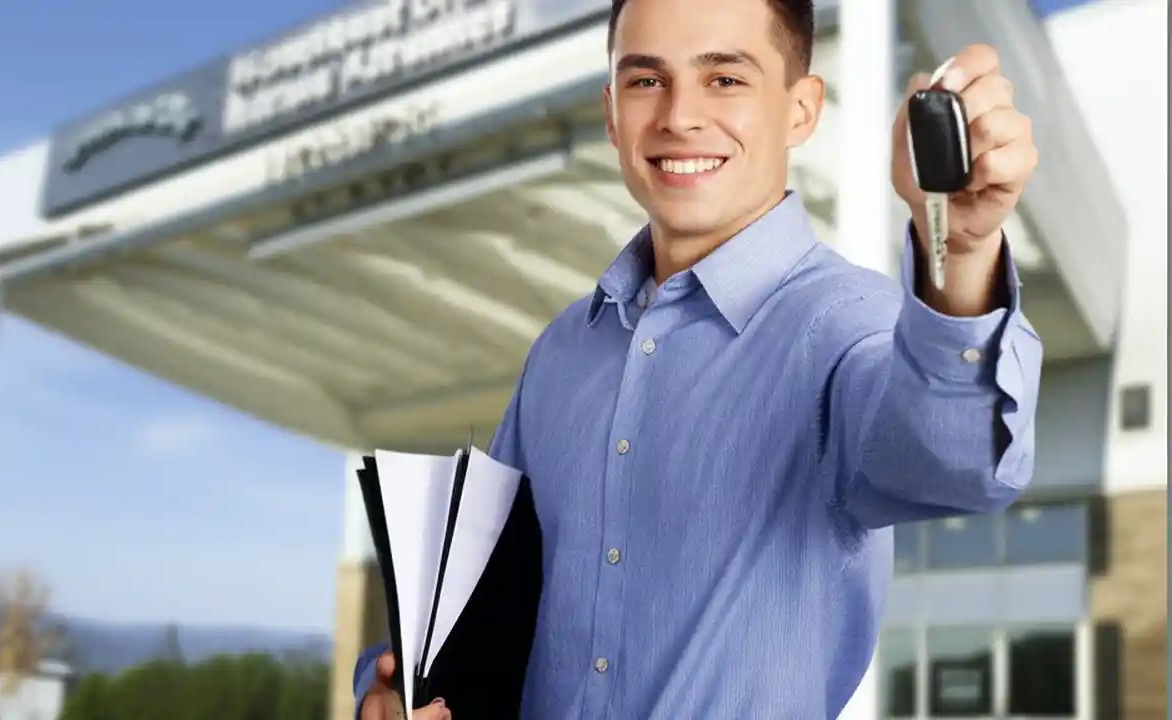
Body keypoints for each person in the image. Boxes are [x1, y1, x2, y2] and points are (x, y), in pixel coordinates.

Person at [355, 0, 1042, 716]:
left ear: (802, 109)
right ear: (612, 112)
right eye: (647, 81)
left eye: (725, 79)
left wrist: (962, 251)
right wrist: (399, 691)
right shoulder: (562, 351)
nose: (679, 116)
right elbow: (479, 609)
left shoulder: (851, 327)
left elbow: (956, 465)